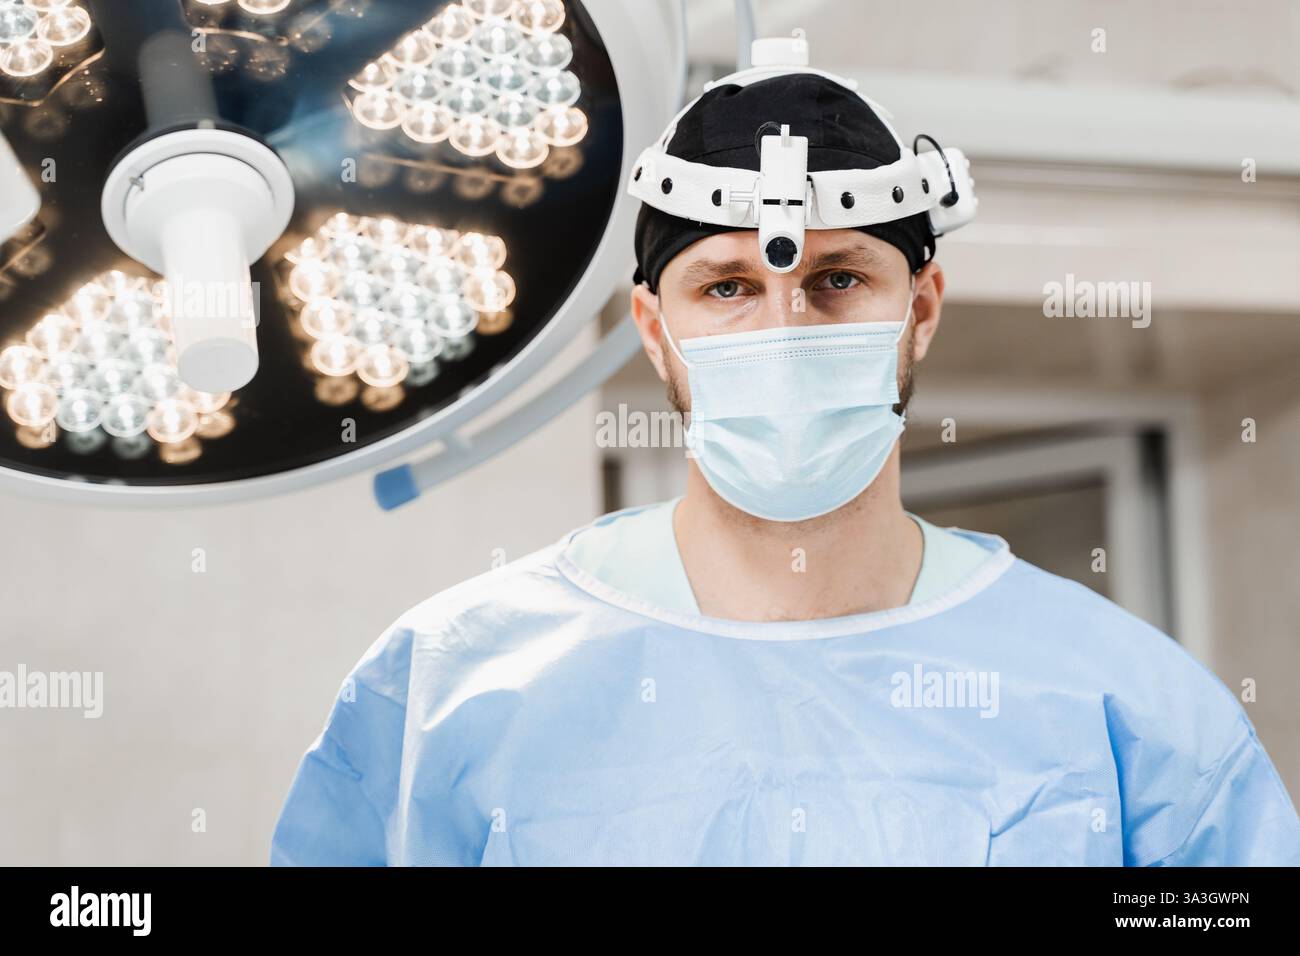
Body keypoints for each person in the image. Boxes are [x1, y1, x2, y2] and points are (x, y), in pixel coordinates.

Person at [271, 51, 1300, 867]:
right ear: (653, 325)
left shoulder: (1131, 713)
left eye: (839, 278)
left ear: (922, 308)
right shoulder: (450, 687)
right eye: (726, 286)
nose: (785, 326)